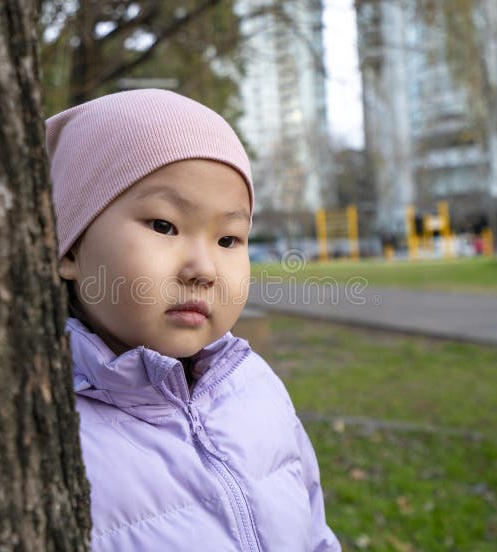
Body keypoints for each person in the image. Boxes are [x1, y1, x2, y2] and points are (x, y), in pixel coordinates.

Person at [46, 89, 340, 551]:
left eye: (228, 239)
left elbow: (315, 534)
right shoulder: (47, 433)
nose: (203, 269)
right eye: (164, 226)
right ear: (68, 246)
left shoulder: (257, 388)